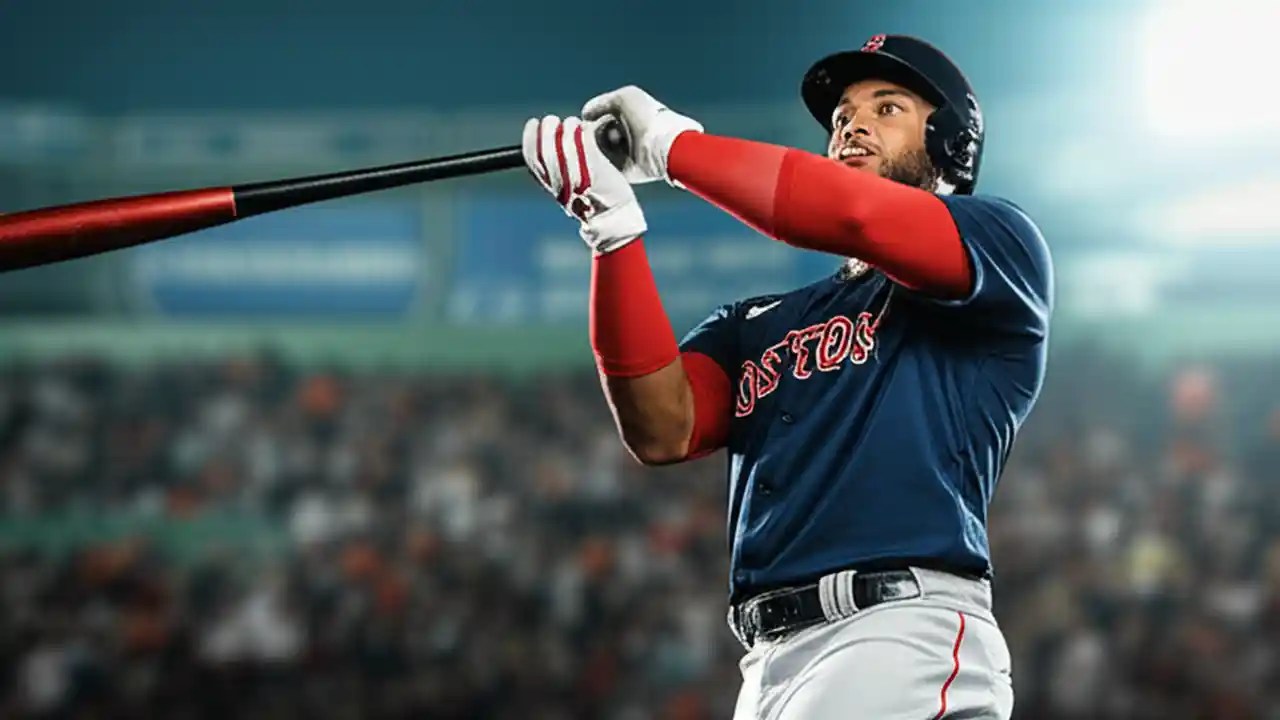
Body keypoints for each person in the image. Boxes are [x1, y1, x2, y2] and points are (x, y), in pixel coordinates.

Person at [520, 33, 1052, 719]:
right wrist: (611, 227)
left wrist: (672, 148)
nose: (853, 124)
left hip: (897, 632)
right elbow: (662, 425)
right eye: (841, 118)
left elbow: (850, 213)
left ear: (951, 143)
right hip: (769, 658)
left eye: (887, 108)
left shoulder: (1000, 243)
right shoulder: (759, 320)